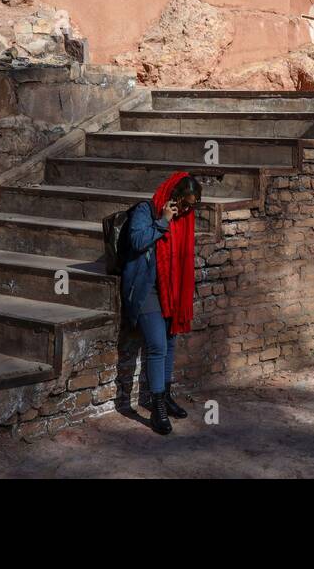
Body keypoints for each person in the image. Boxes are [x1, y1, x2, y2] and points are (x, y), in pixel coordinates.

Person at [121, 171, 201, 435]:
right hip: (146, 289)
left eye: (191, 206)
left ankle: (165, 395)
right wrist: (163, 221)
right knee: (156, 344)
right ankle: (156, 407)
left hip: (171, 290)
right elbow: (137, 241)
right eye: (184, 203)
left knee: (170, 340)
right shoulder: (146, 210)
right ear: (173, 196)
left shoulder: (185, 219)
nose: (187, 210)